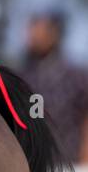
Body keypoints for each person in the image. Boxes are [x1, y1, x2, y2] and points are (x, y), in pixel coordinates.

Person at [18, 9, 88, 163]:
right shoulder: (23, 77)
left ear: (54, 33)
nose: (32, 34)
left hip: (72, 167)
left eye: (38, 27)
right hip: (35, 167)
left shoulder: (75, 77)